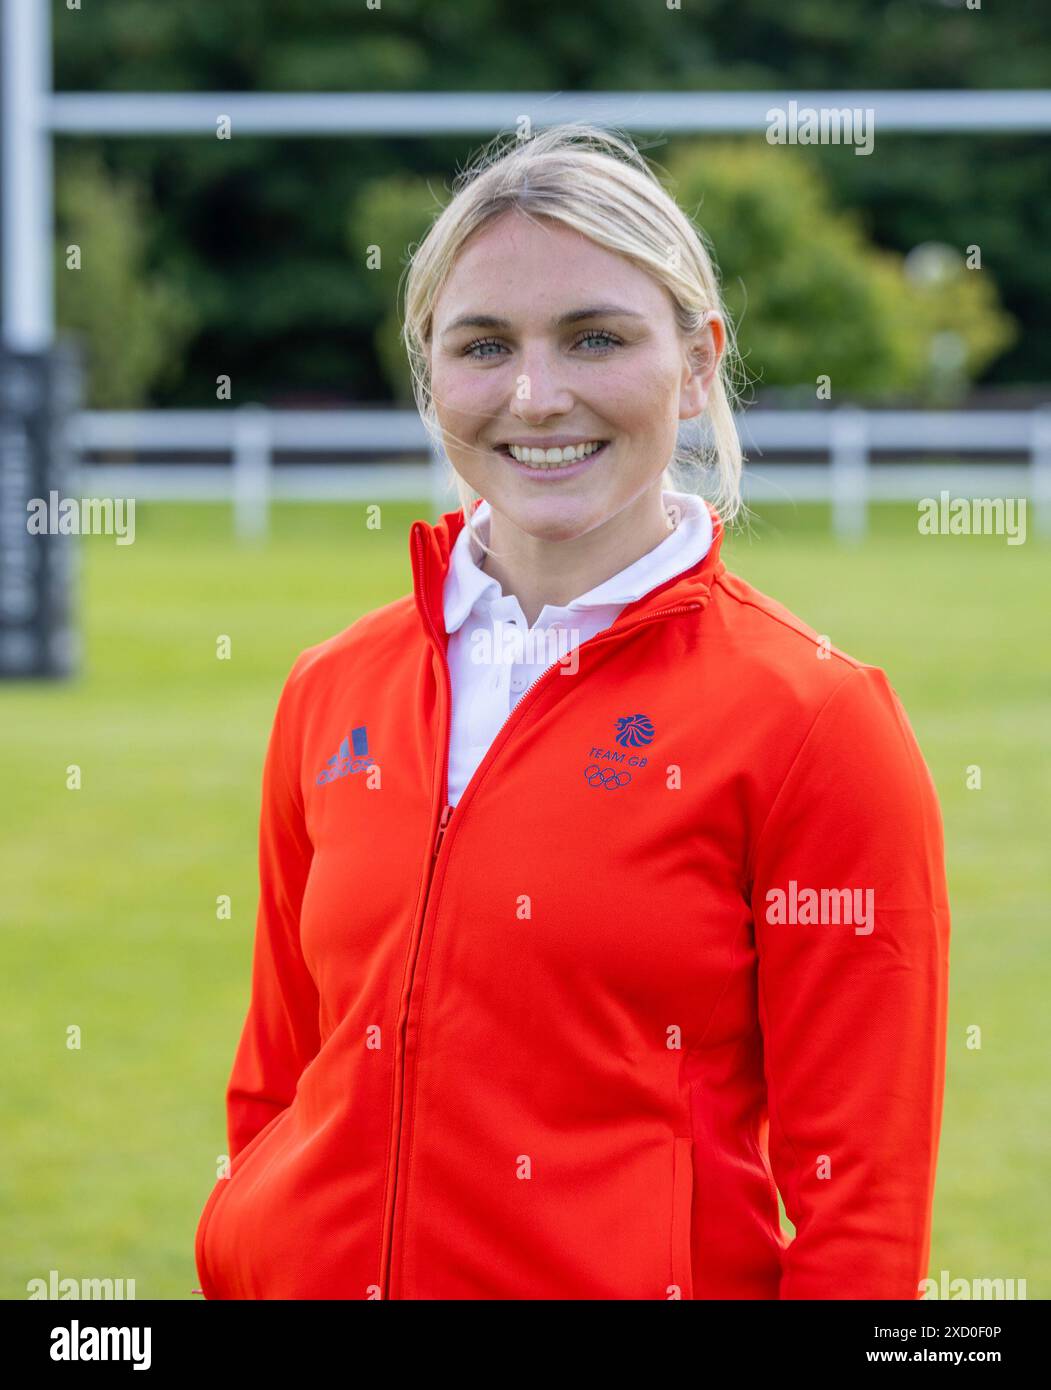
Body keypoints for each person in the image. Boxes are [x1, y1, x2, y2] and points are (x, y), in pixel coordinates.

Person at [194, 123, 951, 1300]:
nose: (535, 397)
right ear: (431, 374)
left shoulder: (813, 720)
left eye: (595, 337)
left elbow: (862, 1195)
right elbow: (281, 1081)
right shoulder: (331, 687)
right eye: (483, 345)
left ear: (696, 365)